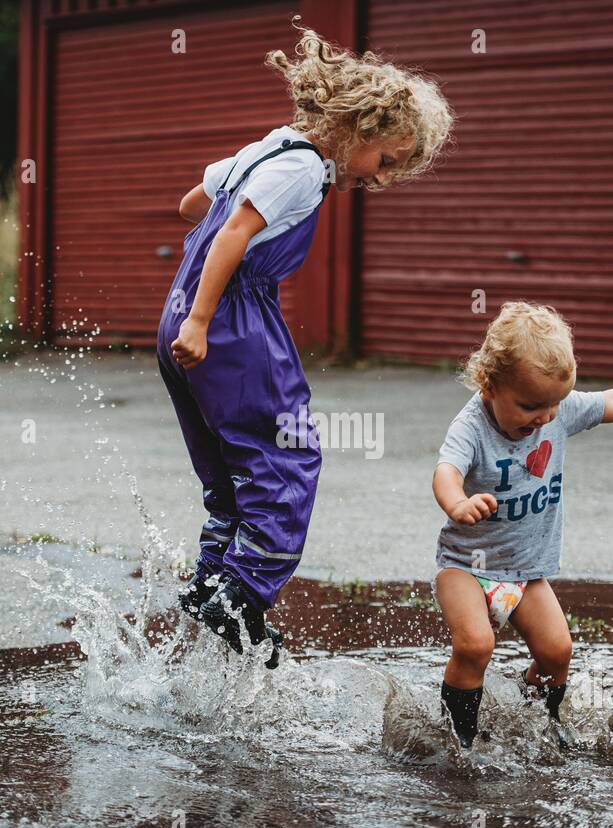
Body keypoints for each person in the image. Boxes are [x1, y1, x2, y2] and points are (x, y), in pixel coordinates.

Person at [157, 22, 454, 666]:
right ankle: (239, 600)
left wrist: (188, 315)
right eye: (385, 162)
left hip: (179, 310)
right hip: (230, 319)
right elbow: (233, 233)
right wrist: (204, 321)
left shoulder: (269, 147)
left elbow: (194, 206)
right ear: (358, 130)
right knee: (289, 454)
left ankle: (214, 577)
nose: (379, 179)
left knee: (233, 467)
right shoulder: (301, 169)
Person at [432, 301, 613, 745]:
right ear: (489, 385)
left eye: (553, 405)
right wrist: (457, 502)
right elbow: (446, 469)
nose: (544, 417)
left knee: (557, 653)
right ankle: (456, 743)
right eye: (529, 406)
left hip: (525, 571)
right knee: (475, 645)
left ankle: (532, 725)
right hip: (466, 566)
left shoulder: (554, 410)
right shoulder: (471, 425)